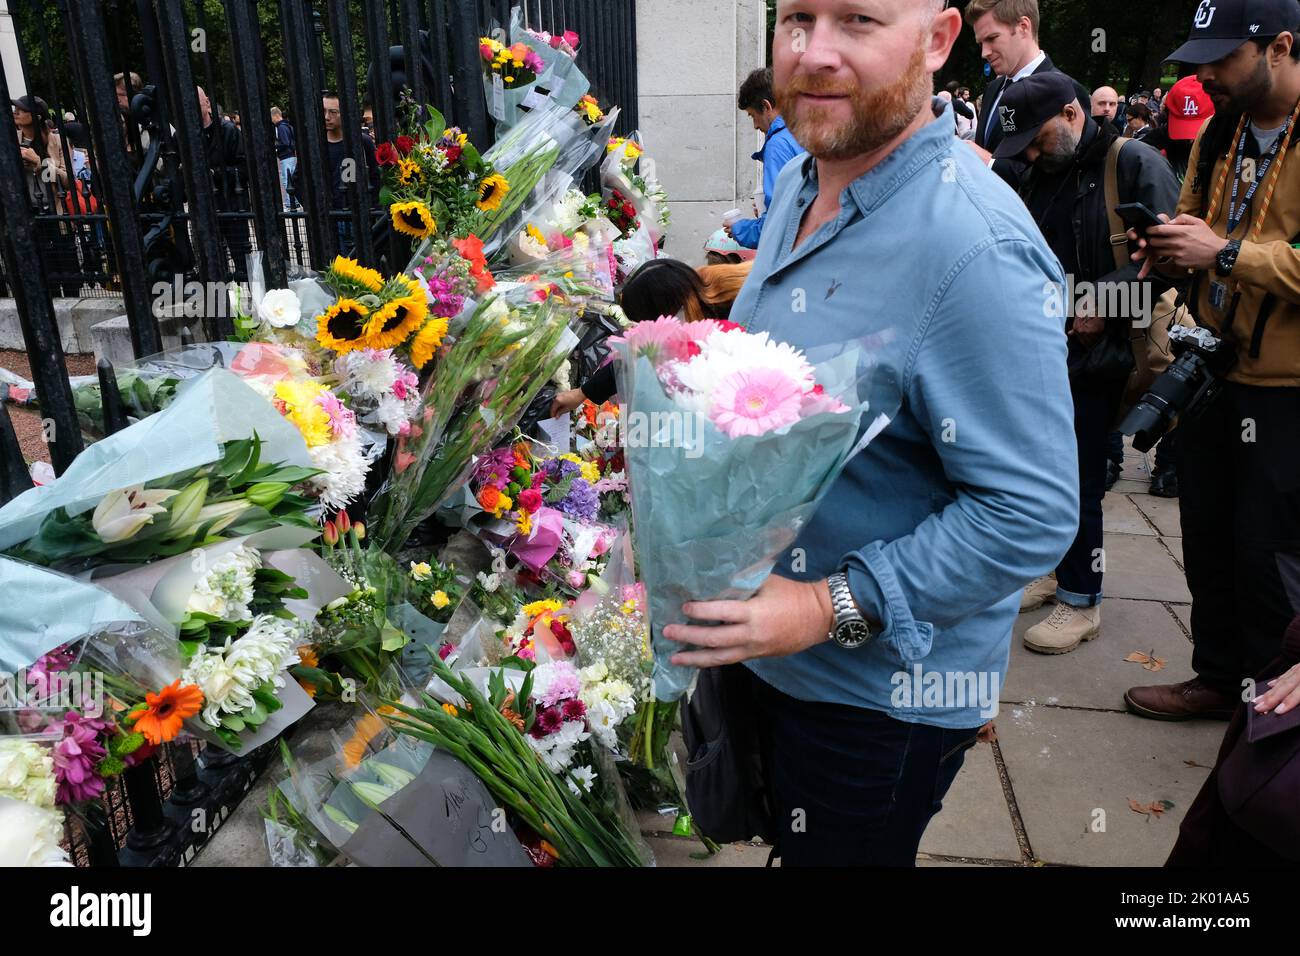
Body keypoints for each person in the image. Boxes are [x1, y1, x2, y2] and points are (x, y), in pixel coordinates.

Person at [662, 0, 1077, 867]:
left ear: (937, 39)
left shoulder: (977, 245)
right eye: (797, 19)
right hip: (771, 665)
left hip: (874, 706)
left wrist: (823, 607)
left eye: (857, 20)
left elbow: (1030, 513)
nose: (814, 53)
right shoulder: (802, 186)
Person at [1126, 0, 1300, 721]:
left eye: (1222, 59)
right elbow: (1200, 220)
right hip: (1213, 373)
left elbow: (1238, 246)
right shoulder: (1222, 126)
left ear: (1282, 47)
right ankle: (1219, 680)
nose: (1204, 75)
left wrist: (1226, 253)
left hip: (1286, 391)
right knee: (1207, 536)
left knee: (1272, 557)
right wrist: (1166, 244)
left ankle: (1275, 717)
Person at [993, 73, 1181, 653]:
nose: (1027, 151)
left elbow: (1175, 260)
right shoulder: (1036, 168)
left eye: (1035, 137)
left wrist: (1104, 301)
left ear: (1073, 114)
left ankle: (1082, 598)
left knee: (1080, 479)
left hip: (1103, 356)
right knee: (1044, 475)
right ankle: (1054, 572)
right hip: (1042, 346)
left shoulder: (1134, 162)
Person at [549, 259, 748, 415]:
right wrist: (582, 393)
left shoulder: (733, 316)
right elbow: (641, 351)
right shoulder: (693, 288)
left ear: (665, 312)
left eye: (647, 322)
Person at [967, 0, 1091, 186]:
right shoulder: (993, 88)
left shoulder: (1067, 90)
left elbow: (1069, 178)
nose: (984, 52)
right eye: (981, 43)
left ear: (1023, 26)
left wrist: (988, 163)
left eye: (992, 38)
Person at [727, 68, 804, 249]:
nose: (755, 125)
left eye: (753, 116)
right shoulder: (808, 132)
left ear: (766, 106)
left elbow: (780, 223)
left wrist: (741, 229)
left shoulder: (778, 144)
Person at [196, 86, 251, 281]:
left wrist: (213, 174)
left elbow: (244, 169)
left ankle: (256, 305)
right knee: (212, 263)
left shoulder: (227, 130)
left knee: (243, 260)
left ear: (207, 102)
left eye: (197, 99)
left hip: (232, 205)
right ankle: (218, 308)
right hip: (203, 208)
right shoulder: (183, 137)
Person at [323, 91, 379, 256]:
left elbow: (376, 177)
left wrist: (374, 208)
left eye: (333, 112)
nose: (327, 117)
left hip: (356, 216)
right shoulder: (316, 144)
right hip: (328, 218)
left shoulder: (362, 141)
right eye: (324, 111)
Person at [271, 106, 297, 211]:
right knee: (290, 179)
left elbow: (285, 142)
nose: (271, 120)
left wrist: (276, 148)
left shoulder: (281, 127)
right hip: (290, 155)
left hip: (286, 156)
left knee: (287, 180)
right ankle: (292, 202)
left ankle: (290, 203)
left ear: (276, 115)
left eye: (271, 117)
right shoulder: (287, 126)